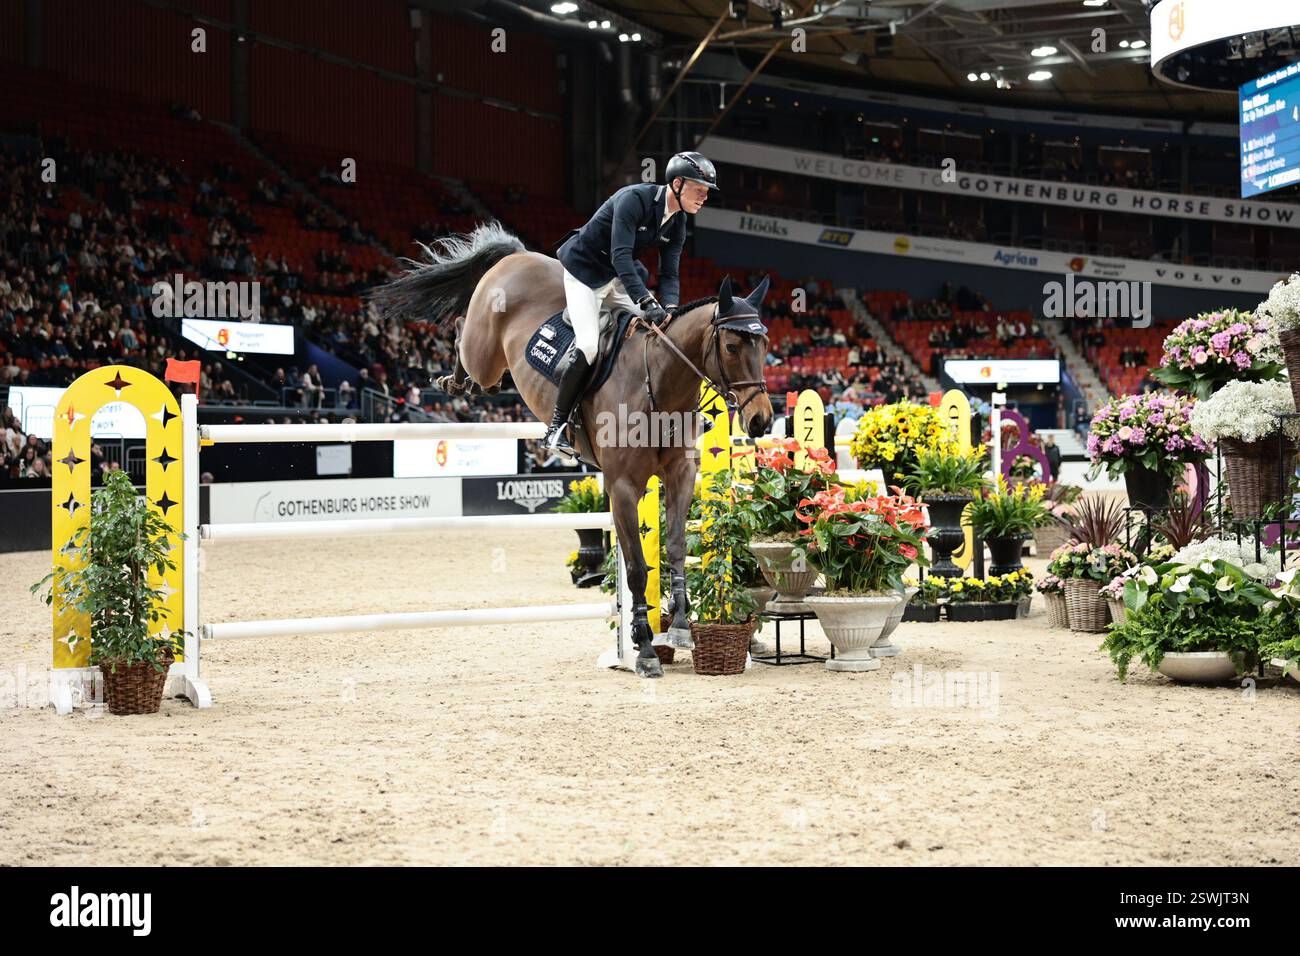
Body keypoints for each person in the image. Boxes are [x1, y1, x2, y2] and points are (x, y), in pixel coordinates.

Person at [547, 151, 718, 450]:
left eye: (706, 193)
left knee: (669, 335)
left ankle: (683, 414)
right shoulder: (633, 199)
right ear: (677, 183)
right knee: (588, 346)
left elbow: (670, 274)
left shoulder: (677, 222)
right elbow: (620, 255)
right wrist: (646, 301)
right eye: (699, 190)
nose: (704, 197)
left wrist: (671, 309)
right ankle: (557, 425)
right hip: (585, 272)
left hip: (618, 277)